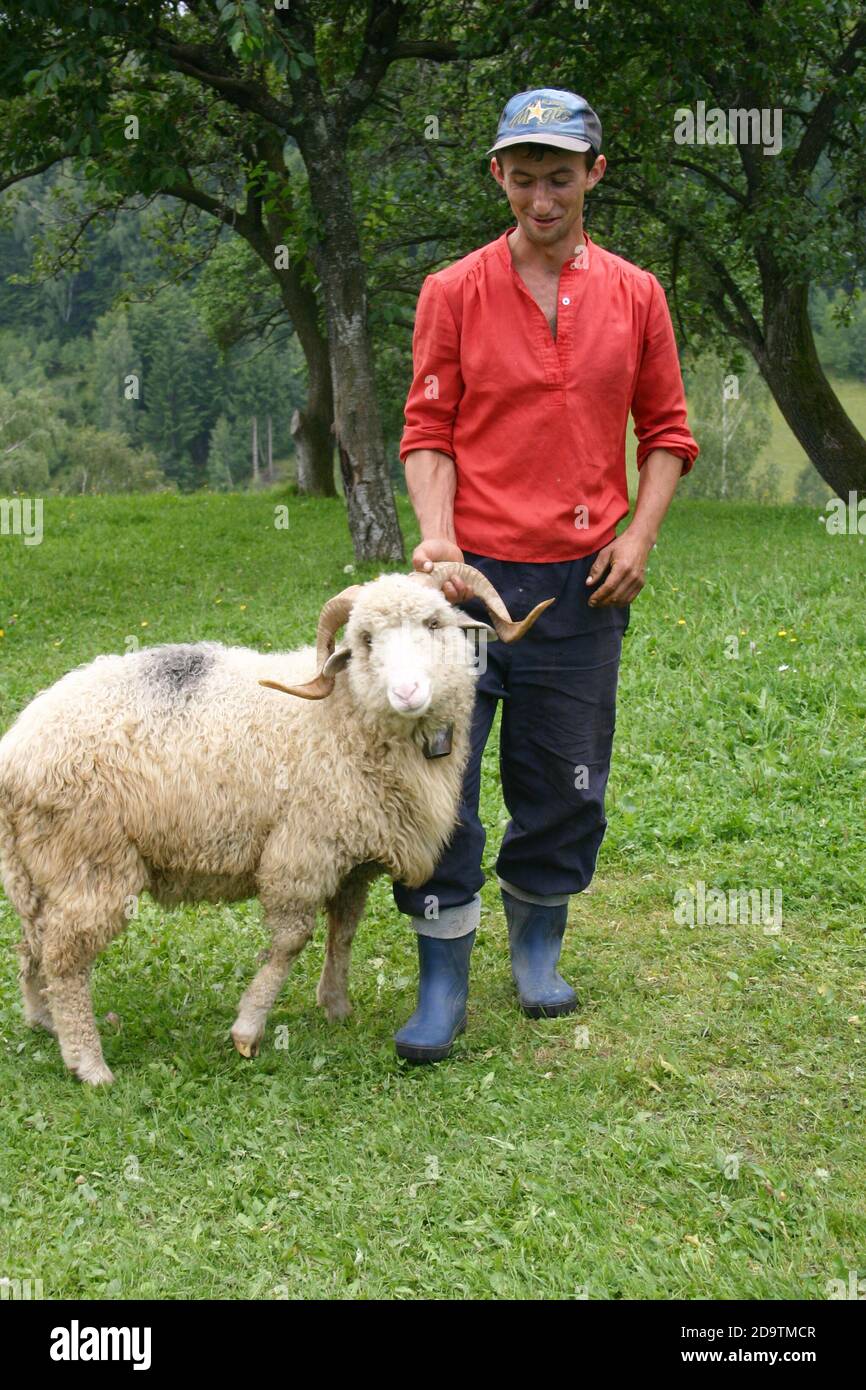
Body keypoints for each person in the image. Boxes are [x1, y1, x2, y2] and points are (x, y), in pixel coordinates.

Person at [393, 88, 699, 1062]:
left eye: (557, 176)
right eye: (521, 176)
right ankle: (440, 973)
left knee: (563, 779)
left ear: (592, 176)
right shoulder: (451, 292)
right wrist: (437, 542)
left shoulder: (636, 296)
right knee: (435, 775)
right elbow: (426, 430)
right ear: (497, 176)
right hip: (465, 589)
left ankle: (535, 945)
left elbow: (666, 435)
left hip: (581, 587)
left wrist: (638, 537)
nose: (539, 196)